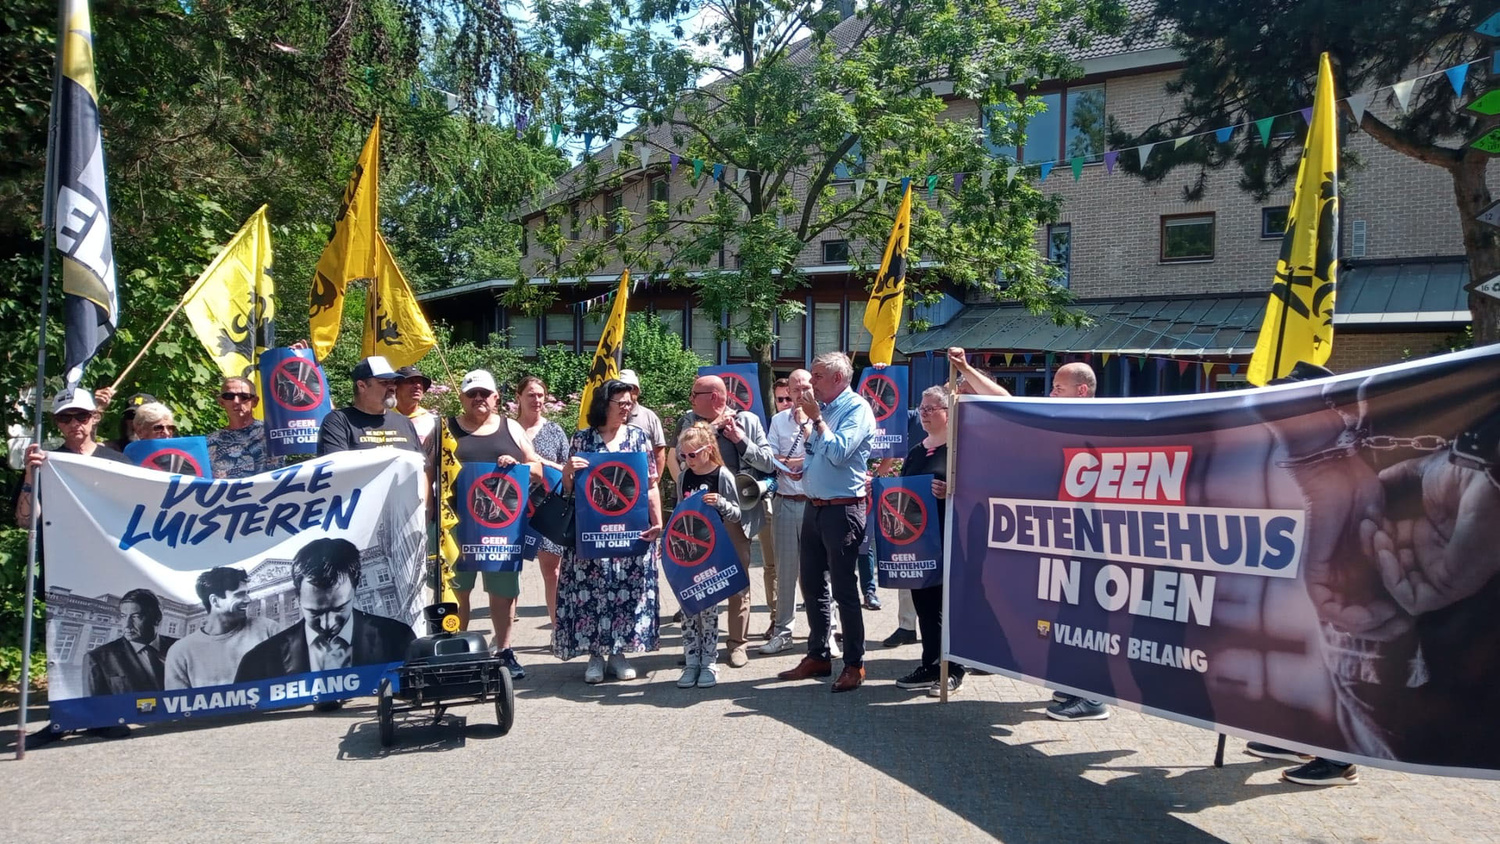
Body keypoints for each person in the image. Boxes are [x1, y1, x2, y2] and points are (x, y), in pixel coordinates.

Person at [776, 351, 877, 692]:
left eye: (817, 376)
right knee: (812, 583)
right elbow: (815, 452)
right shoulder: (824, 409)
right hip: (815, 507)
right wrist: (813, 422)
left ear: (838, 379)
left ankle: (854, 664)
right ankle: (818, 654)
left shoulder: (856, 409)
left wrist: (818, 420)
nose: (810, 382)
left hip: (843, 509)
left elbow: (837, 453)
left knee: (845, 589)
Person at [554, 379, 664, 684]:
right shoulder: (582, 439)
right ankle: (595, 656)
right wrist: (567, 472)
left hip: (629, 530)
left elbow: (651, 484)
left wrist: (657, 521)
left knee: (625, 593)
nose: (628, 408)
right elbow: (568, 490)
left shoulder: (639, 438)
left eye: (630, 403)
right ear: (604, 404)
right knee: (593, 592)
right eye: (622, 403)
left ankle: (618, 653)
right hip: (592, 532)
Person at [446, 369, 544, 680]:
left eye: (484, 394)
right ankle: (456, 652)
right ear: (461, 398)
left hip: (502, 527)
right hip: (457, 526)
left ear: (496, 398)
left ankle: (504, 652)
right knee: (457, 591)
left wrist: (519, 466)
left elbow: (538, 469)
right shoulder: (446, 429)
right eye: (471, 394)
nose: (478, 399)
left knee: (503, 593)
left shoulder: (511, 427)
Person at [672, 374, 774, 667]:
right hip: (699, 517)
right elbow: (681, 459)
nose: (690, 399)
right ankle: (700, 646)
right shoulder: (687, 421)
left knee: (738, 579)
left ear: (715, 397)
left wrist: (739, 440)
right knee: (700, 580)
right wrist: (711, 433)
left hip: (735, 516)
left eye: (695, 394)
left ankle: (737, 644)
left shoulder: (748, 421)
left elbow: (768, 464)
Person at [1034, 360, 1115, 722]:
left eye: (1058, 387)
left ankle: (1093, 697)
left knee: (1090, 616)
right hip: (1071, 537)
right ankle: (1075, 684)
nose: (1051, 393)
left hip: (1097, 541)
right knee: (1070, 614)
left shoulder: (1102, 424)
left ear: (1082, 390)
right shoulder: (1066, 422)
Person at [235, 538, 416, 682]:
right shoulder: (258, 661)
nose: (327, 624)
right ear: (297, 597)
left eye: (339, 608)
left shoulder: (398, 638)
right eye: (315, 612)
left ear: (356, 588)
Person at [892, 385, 964, 697]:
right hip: (920, 541)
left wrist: (951, 490)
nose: (924, 413)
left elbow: (976, 491)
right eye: (921, 408)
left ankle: (953, 669)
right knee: (925, 606)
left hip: (950, 540)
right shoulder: (917, 451)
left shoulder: (960, 449)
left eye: (932, 408)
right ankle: (930, 663)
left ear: (949, 413)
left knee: (947, 607)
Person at [673, 423, 745, 689]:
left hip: (713, 551)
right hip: (689, 553)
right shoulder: (683, 477)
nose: (688, 460)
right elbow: (681, 511)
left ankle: (709, 662)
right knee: (689, 609)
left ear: (708, 450)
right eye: (684, 455)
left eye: (693, 455)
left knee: (710, 611)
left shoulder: (722, 474)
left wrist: (721, 503)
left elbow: (738, 513)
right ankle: (691, 662)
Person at [15, 390, 130, 527]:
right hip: (58, 546)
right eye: (65, 418)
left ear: (95, 417)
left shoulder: (120, 462)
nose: (74, 423)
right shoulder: (43, 464)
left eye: (82, 416)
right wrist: (30, 477)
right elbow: (25, 522)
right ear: (56, 422)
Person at [761, 372, 811, 656]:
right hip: (784, 501)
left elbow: (821, 454)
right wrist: (793, 461)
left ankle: (825, 631)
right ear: (788, 391)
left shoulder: (823, 417)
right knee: (785, 571)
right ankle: (783, 632)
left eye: (806, 386)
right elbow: (770, 458)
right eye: (796, 388)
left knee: (819, 573)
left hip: (815, 503)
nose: (801, 392)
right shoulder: (778, 421)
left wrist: (806, 427)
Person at [514, 375, 569, 624]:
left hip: (548, 510)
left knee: (552, 571)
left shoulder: (554, 430)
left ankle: (556, 629)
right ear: (518, 397)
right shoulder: (507, 429)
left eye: (540, 395)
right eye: (531, 395)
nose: (537, 400)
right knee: (509, 573)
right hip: (513, 509)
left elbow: (568, 470)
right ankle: (504, 637)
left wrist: (541, 461)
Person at [165, 567, 278, 689]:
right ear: (215, 601)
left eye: (247, 593)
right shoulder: (181, 652)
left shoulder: (269, 630)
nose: (248, 600)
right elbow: (177, 704)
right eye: (240, 594)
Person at [315, 356, 423, 455]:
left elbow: (422, 470)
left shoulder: (404, 422)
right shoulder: (339, 422)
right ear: (362, 386)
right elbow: (334, 470)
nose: (393, 387)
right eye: (384, 382)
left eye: (393, 382)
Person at [83, 588, 178, 695]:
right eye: (123, 616)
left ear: (157, 617)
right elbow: (94, 709)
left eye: (136, 617)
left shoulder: (180, 648)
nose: (127, 625)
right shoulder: (97, 658)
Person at [206, 376, 279, 479]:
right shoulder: (209, 442)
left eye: (244, 396)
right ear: (221, 402)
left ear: (255, 401)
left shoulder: (275, 433)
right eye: (229, 396)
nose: (236, 401)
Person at [618, 369, 668, 481]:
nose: (628, 392)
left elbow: (659, 454)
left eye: (630, 388)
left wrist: (655, 484)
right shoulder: (608, 417)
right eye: (621, 388)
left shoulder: (649, 417)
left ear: (637, 390)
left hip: (642, 482)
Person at [394, 365, 438, 447]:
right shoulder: (383, 420)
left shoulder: (435, 422)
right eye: (410, 381)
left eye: (420, 382)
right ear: (396, 387)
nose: (417, 386)